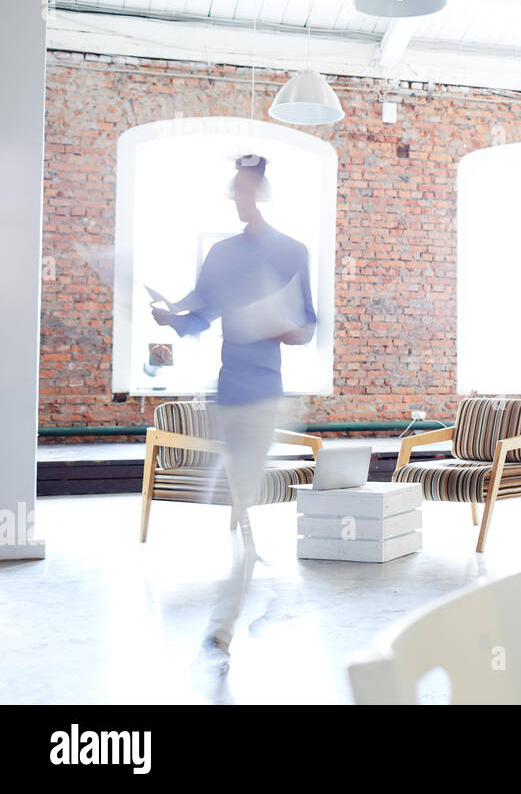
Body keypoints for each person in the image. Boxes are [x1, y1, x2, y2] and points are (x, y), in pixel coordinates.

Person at [153, 154, 316, 672]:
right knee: (235, 509)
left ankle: (220, 630)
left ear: (262, 191)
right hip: (228, 393)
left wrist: (275, 325)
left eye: (248, 189)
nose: (240, 198)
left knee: (241, 513)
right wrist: (170, 317)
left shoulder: (292, 251)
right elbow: (200, 312)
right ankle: (252, 572)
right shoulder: (222, 254)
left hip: (265, 394)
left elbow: (306, 327)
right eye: (236, 190)